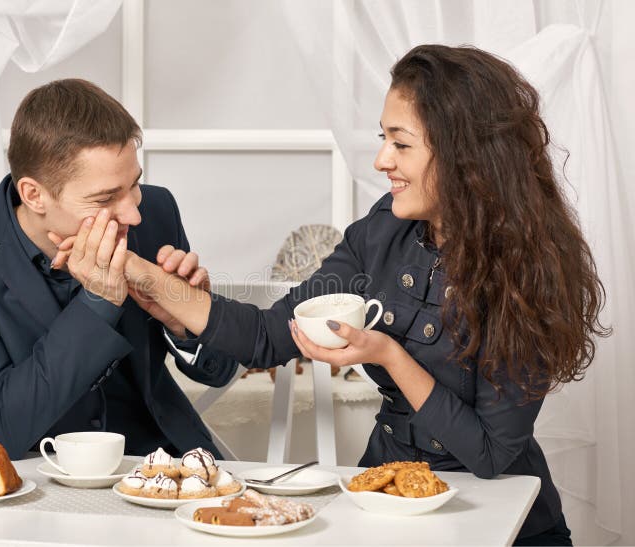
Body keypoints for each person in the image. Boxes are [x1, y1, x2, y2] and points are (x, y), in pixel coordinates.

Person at [121, 45, 610, 545]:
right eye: (383, 139)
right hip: (380, 505)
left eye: (401, 144)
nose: (381, 161)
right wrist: (149, 280)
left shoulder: (526, 272)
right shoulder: (382, 234)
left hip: (505, 522)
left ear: (465, 155)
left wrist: (391, 356)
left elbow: (489, 455)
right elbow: (268, 336)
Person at [0, 78, 240, 460]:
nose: (133, 211)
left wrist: (184, 322)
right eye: (104, 198)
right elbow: (2, 427)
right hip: (47, 480)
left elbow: (220, 371)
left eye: (134, 184)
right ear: (34, 195)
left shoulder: (156, 211)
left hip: (171, 461)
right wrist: (98, 303)